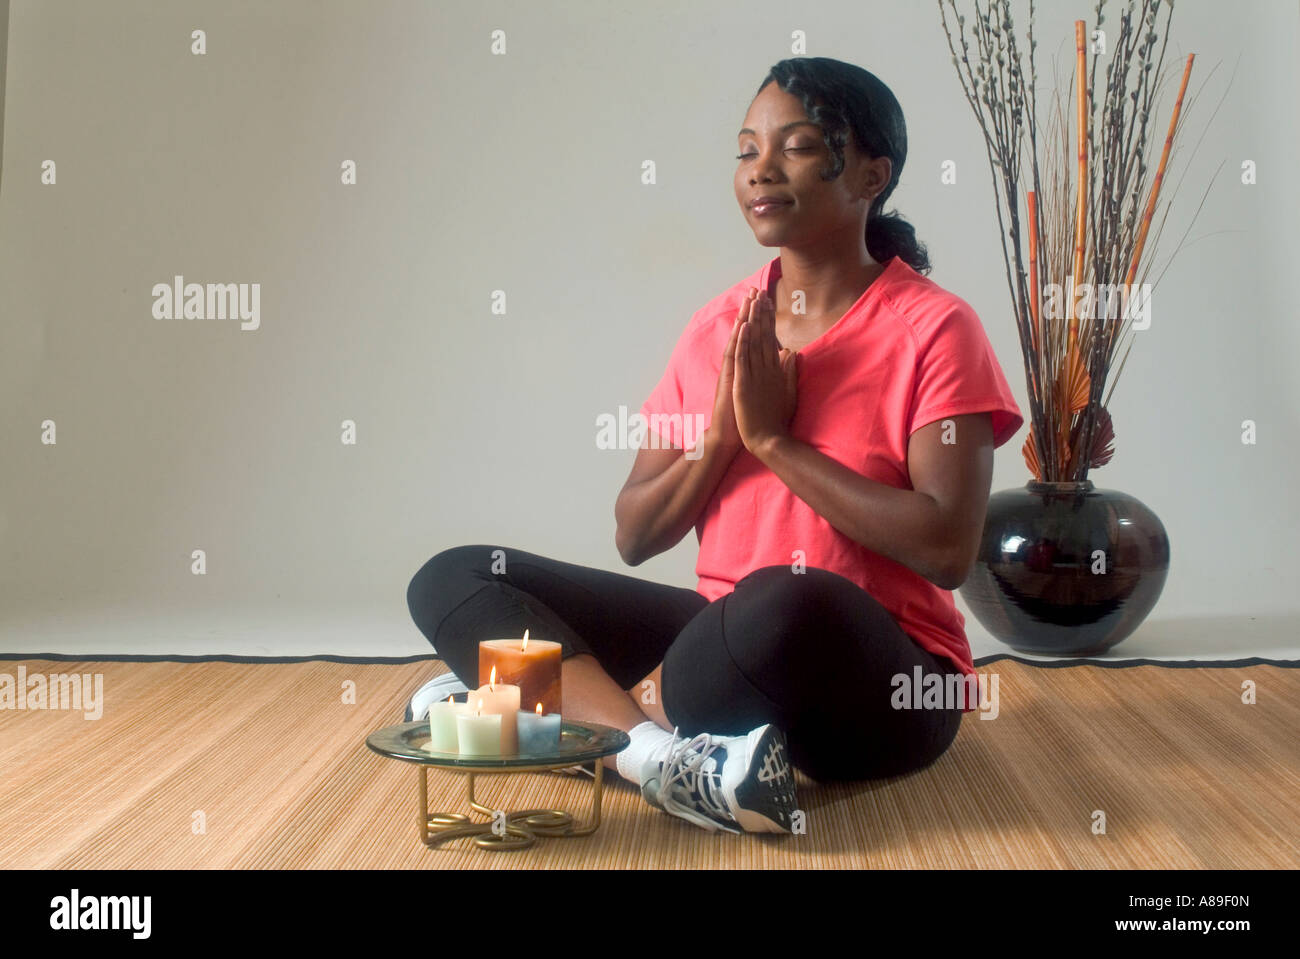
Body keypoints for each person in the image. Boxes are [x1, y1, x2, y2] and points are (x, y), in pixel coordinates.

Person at [406, 57, 1024, 835]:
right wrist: (721, 438)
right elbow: (634, 534)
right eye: (745, 149)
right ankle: (649, 756)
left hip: (879, 684)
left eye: (796, 145)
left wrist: (772, 440)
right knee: (455, 576)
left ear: (872, 174)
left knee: (785, 599)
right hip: (713, 651)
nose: (760, 169)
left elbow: (946, 546)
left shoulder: (936, 329)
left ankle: (537, 713)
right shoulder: (719, 328)